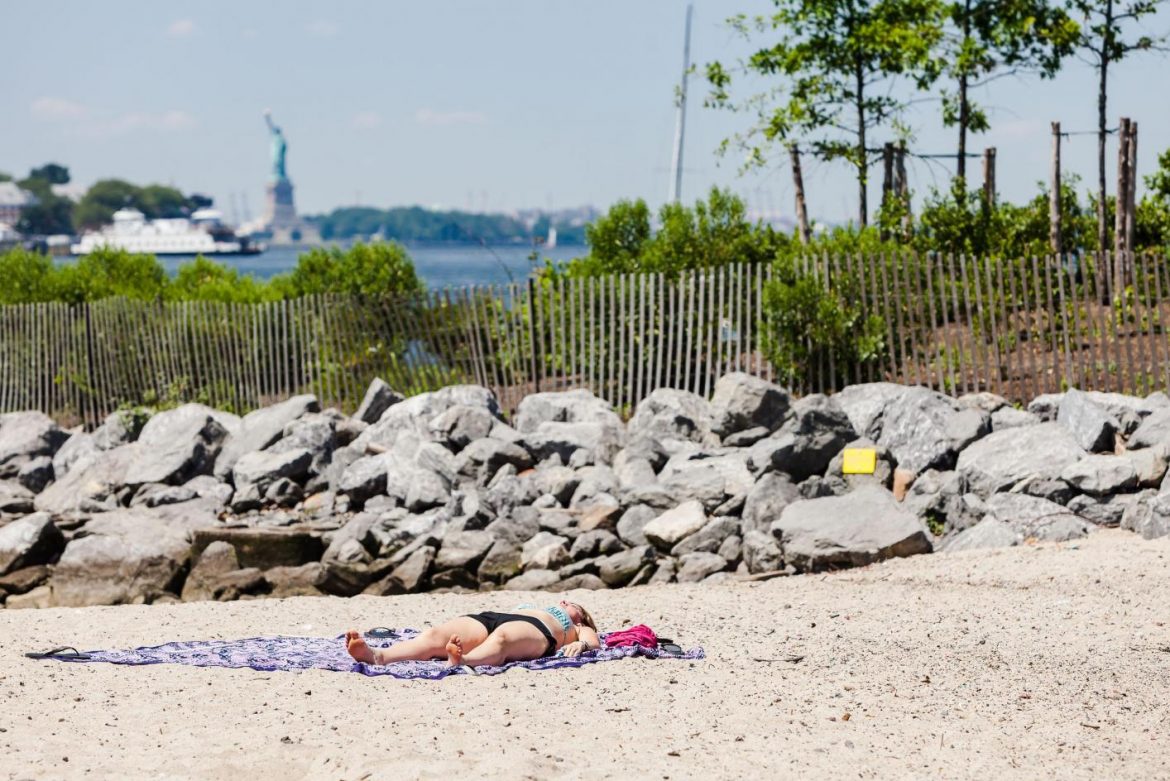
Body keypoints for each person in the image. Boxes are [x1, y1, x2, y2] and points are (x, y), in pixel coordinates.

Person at [345, 599, 600, 669]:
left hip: (538, 631)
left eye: (573, 606)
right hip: (496, 617)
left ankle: (463, 660)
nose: (565, 602)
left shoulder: (577, 628)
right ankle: (378, 655)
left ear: (582, 616)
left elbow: (593, 641)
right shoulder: (536, 606)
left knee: (503, 640)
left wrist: (583, 646)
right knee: (437, 635)